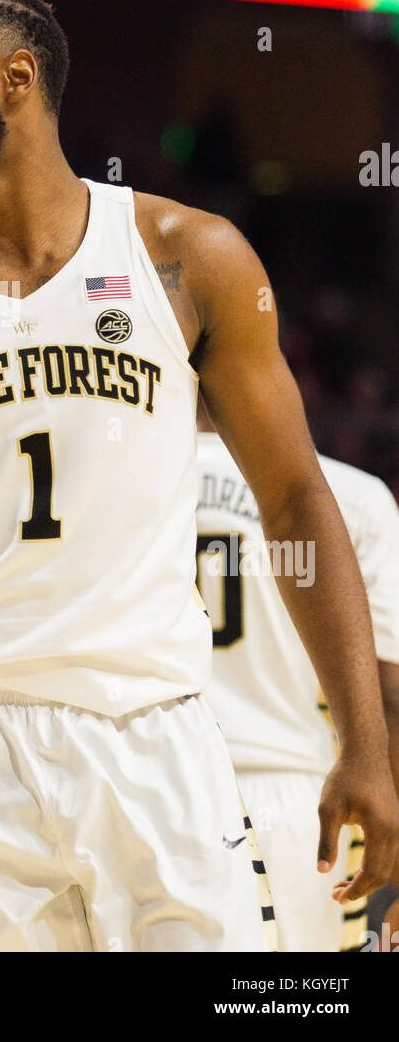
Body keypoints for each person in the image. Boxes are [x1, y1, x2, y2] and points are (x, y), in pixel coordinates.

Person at [0, 0, 399, 953]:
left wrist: (364, 749)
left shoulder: (188, 256)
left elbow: (294, 497)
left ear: (16, 76)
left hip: (153, 722)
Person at [196, 395, 399, 950]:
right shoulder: (354, 496)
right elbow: (391, 699)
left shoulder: (124, 484)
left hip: (154, 780)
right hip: (305, 802)